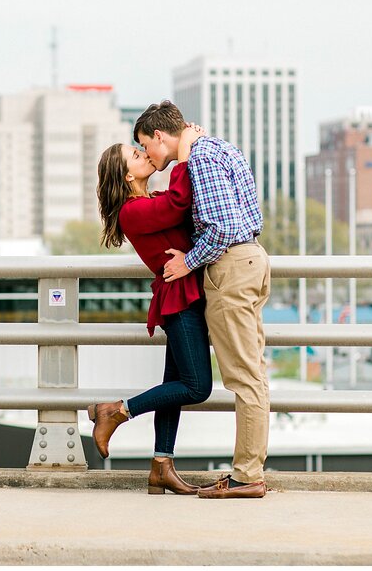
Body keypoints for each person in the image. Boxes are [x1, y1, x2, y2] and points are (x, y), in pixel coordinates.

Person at [133, 99, 270, 499]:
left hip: (230, 268)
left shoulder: (199, 159)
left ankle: (247, 477)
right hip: (251, 260)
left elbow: (223, 227)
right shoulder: (221, 148)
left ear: (160, 136)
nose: (150, 156)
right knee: (254, 373)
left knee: (244, 377)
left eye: (147, 145)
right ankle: (249, 471)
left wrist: (189, 261)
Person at [90, 124, 211, 495]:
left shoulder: (148, 201)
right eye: (135, 153)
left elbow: (181, 211)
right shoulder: (132, 211)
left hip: (186, 291)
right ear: (127, 175)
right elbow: (179, 204)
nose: (143, 153)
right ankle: (116, 411)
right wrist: (187, 150)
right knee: (196, 386)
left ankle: (161, 466)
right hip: (179, 300)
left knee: (174, 385)